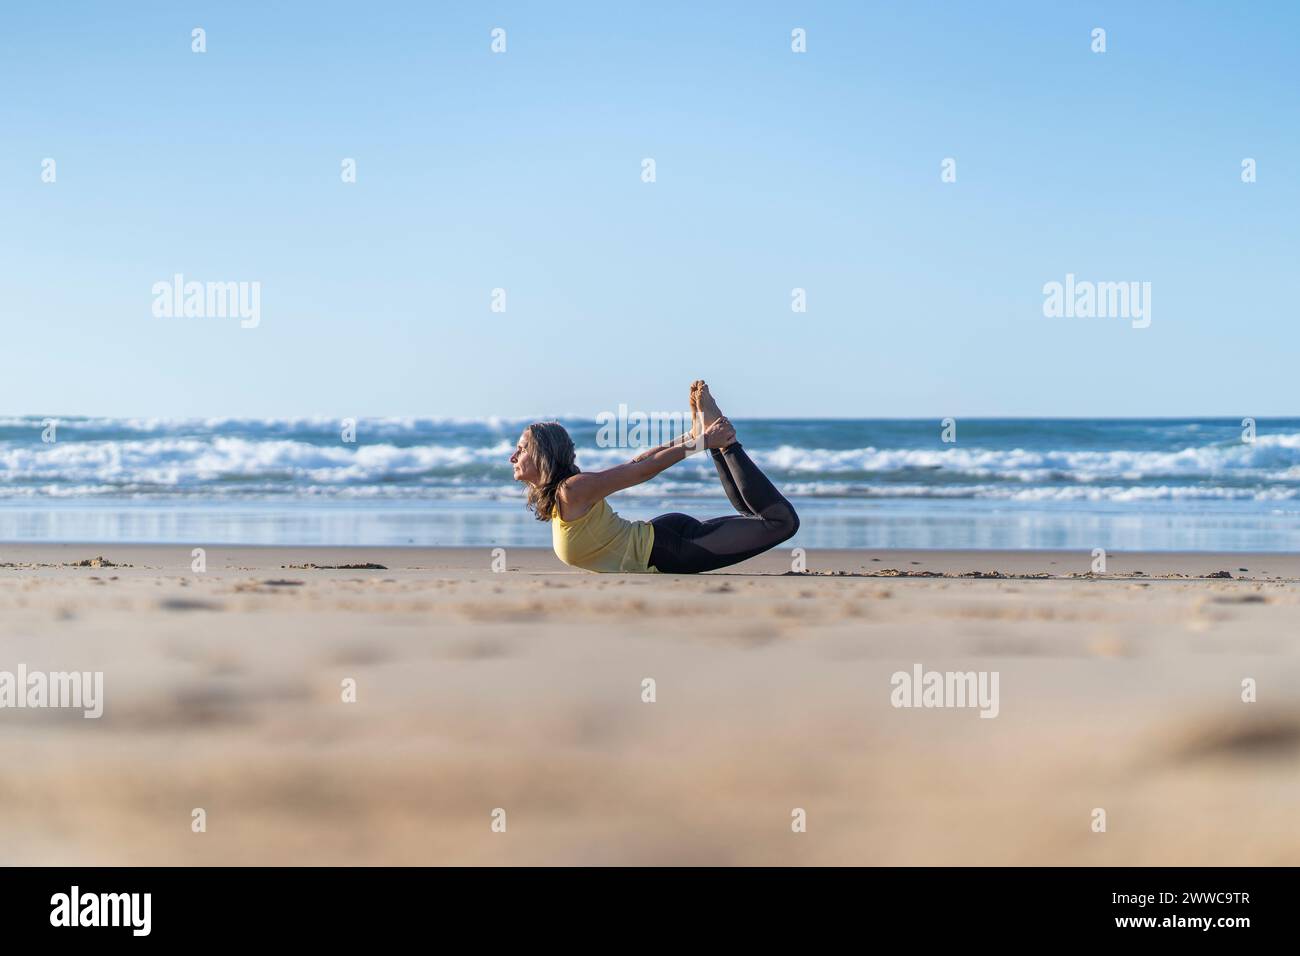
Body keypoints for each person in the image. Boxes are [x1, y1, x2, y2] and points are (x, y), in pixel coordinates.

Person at [510, 381, 799, 573]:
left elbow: (641, 471)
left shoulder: (572, 491)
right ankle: (716, 439)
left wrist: (702, 443)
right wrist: (693, 437)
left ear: (542, 455)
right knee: (760, 520)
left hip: (669, 550)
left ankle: (726, 444)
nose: (513, 457)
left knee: (781, 522)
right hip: (661, 542)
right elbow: (636, 463)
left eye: (521, 449)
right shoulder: (568, 495)